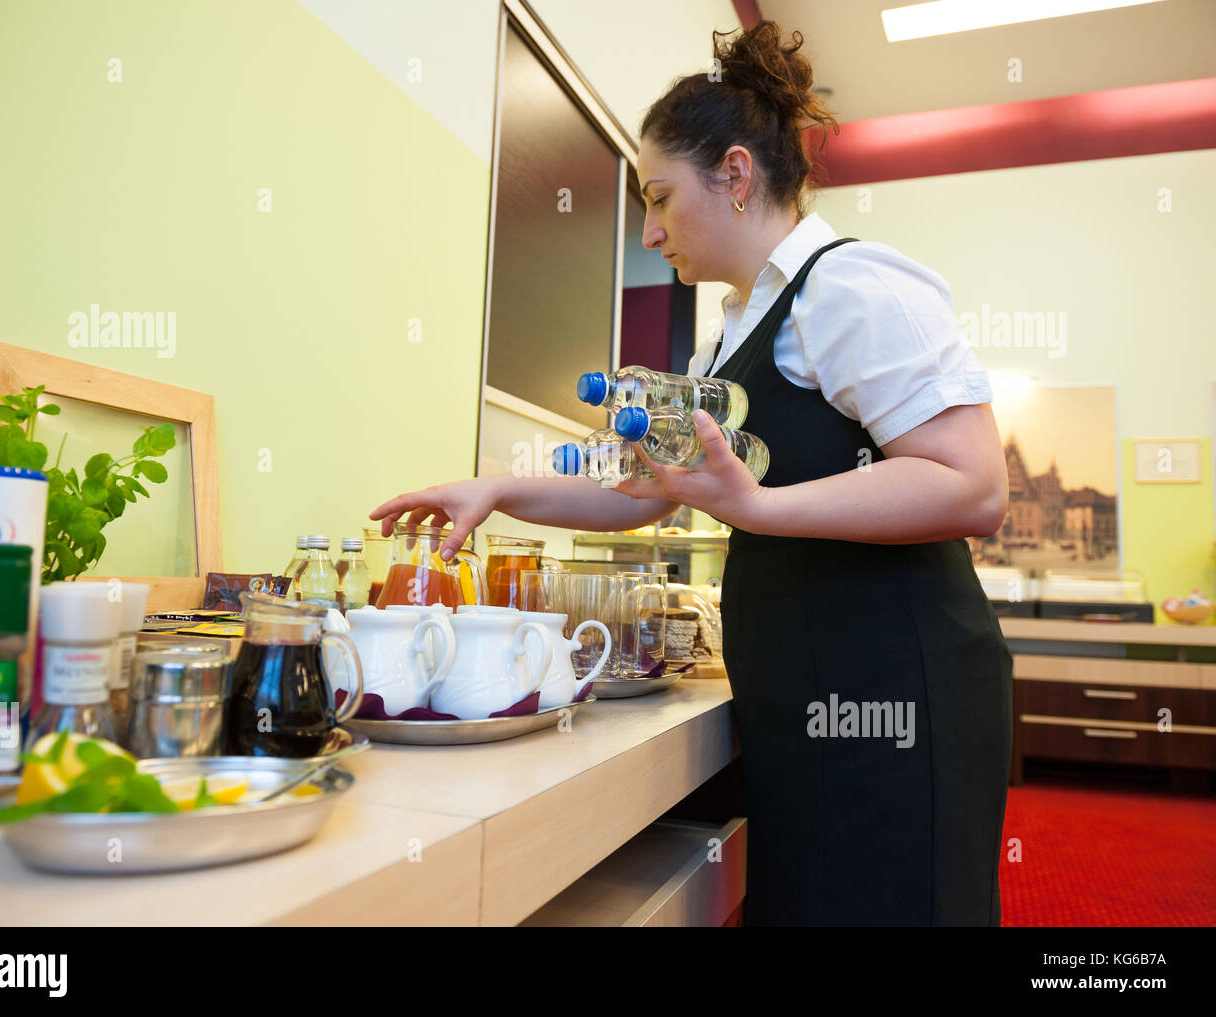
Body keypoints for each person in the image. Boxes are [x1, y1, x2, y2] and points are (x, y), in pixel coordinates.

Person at [371, 21, 1013, 927]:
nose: (648, 227)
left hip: (895, 690)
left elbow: (973, 484)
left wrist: (757, 504)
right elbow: (642, 494)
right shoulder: (733, 330)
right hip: (803, 686)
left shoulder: (853, 288)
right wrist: (497, 490)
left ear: (738, 176)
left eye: (661, 196)